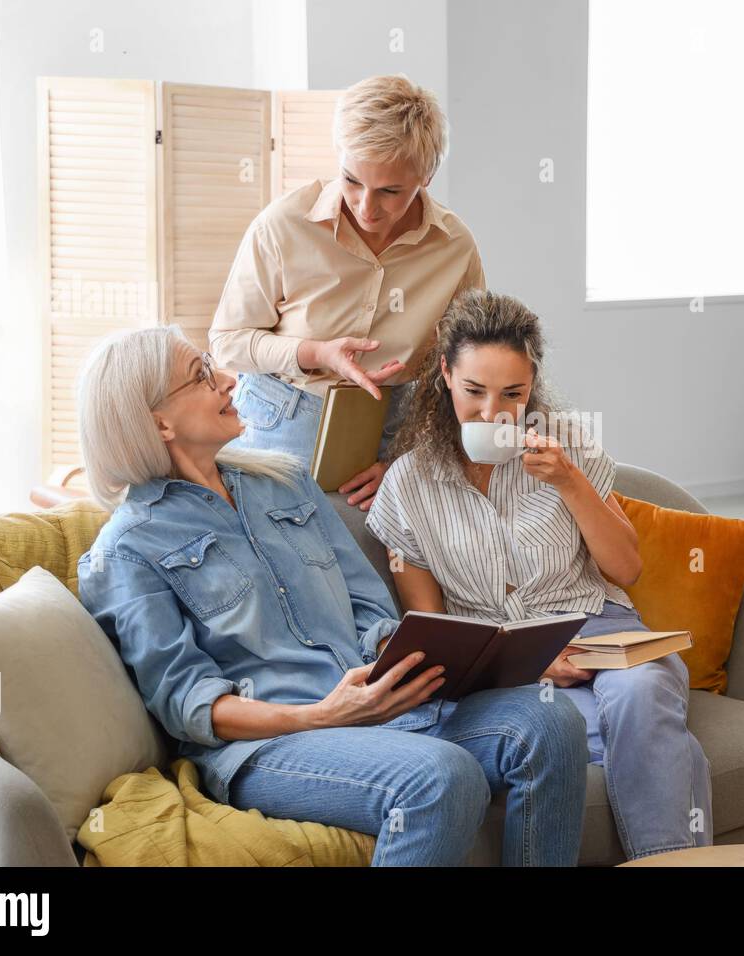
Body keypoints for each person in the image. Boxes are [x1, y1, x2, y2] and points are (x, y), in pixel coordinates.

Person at [75, 324, 587, 866]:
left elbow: (369, 607)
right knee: (439, 775)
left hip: (381, 706)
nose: (228, 379)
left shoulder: (286, 481)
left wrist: (427, 657)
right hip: (267, 745)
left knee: (549, 722)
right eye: (201, 376)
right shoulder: (127, 550)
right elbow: (190, 705)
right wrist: (322, 715)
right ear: (159, 420)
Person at [364, 289, 714, 861]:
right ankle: (676, 826)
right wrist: (527, 658)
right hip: (505, 660)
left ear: (533, 387)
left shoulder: (567, 445)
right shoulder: (408, 484)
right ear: (446, 375)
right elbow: (432, 629)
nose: (492, 414)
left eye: (513, 395)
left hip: (601, 631)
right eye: (474, 391)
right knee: (605, 733)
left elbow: (625, 568)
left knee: (643, 691)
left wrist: (570, 483)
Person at [209, 73, 485, 511]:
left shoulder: (454, 247)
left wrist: (403, 458)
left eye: (390, 191)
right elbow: (226, 343)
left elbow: (469, 370)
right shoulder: (283, 225)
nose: (365, 206)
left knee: (377, 567)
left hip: (394, 427)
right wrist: (317, 353)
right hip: (280, 418)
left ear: (426, 176)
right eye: (352, 180)